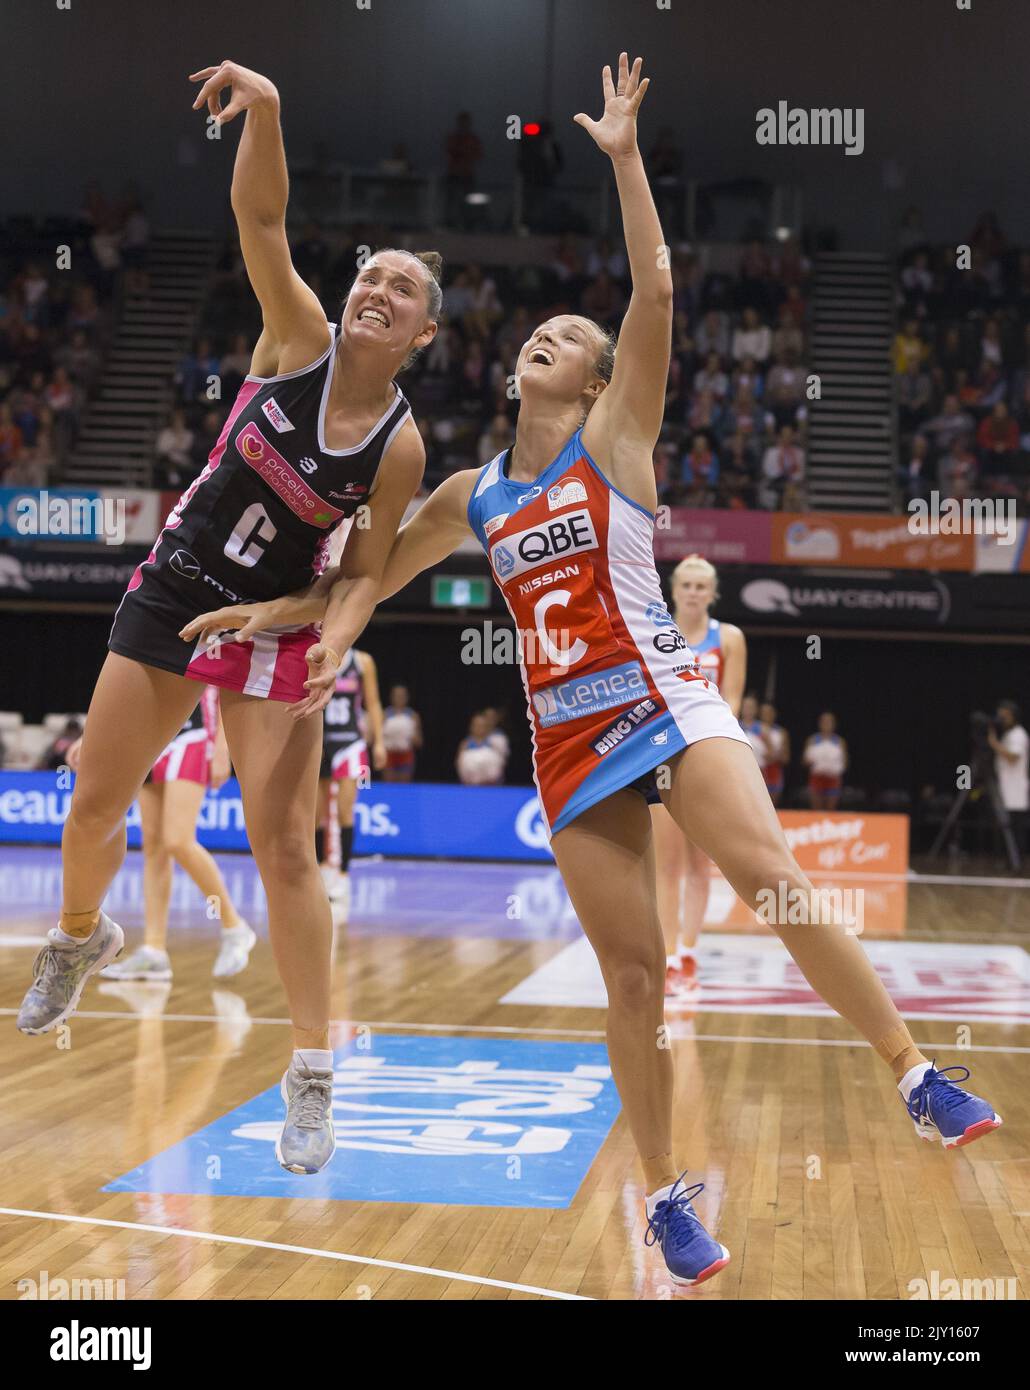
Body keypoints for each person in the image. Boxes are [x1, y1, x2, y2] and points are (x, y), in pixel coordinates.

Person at [180, 54, 1002, 1287]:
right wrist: (274, 608)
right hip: (567, 736)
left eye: (573, 336)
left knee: (771, 876)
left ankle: (913, 1072)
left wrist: (623, 160)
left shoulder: (619, 442)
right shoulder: (472, 494)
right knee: (627, 975)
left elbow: (656, 286)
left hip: (664, 699)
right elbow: (365, 582)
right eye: (542, 333)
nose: (551, 337)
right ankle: (668, 1198)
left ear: (599, 379)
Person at [15, 61, 437, 1184]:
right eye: (373, 274)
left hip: (278, 624)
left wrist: (335, 638)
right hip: (176, 589)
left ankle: (310, 1075)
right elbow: (260, 213)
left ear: (424, 334)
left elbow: (366, 573)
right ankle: (79, 935)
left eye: (402, 289)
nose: (376, 290)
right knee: (97, 796)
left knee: (284, 854)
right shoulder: (296, 337)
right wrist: (273, 110)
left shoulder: (396, 448)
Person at [63, 690, 255, 982]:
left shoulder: (212, 642)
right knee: (154, 847)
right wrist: (91, 732)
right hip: (152, 735)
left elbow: (226, 679)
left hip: (194, 733)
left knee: (178, 840)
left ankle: (234, 926)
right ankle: (155, 951)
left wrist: (222, 747)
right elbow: (125, 684)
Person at [649, 556, 746, 1004]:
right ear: (673, 588)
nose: (692, 592)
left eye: (700, 587)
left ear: (712, 592)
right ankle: (669, 958)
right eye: (685, 585)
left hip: (707, 758)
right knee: (666, 866)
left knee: (699, 865)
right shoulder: (653, 629)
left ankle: (689, 951)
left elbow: (732, 703)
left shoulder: (728, 638)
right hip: (662, 755)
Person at [317, 648, 385, 906]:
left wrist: (379, 742)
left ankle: (343, 874)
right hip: (321, 744)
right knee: (316, 815)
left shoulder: (363, 661)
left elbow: (374, 702)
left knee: (345, 810)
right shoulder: (316, 655)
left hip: (350, 743)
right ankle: (322, 870)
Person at [988, 700, 1029, 861]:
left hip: (1015, 790)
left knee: (1016, 829)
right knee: (1007, 828)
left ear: (1014, 717)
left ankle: (1017, 862)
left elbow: (1014, 757)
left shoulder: (1019, 734)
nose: (1001, 720)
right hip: (1006, 788)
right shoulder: (1008, 734)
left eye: (1004, 717)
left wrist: (993, 744)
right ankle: (1009, 860)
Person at [804, 711, 847, 810]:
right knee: (816, 811)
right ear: (820, 723)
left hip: (833, 779)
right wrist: (811, 760)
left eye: (829, 722)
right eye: (824, 722)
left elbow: (844, 763)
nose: (826, 724)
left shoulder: (839, 741)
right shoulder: (812, 740)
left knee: (830, 811)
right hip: (817, 779)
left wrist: (834, 767)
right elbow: (805, 761)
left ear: (834, 724)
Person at [381, 684, 422, 781]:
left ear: (407, 697)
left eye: (402, 696)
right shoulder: (384, 715)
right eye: (397, 695)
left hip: (405, 756)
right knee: (389, 789)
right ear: (392, 697)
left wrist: (411, 736)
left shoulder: (413, 716)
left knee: (403, 788)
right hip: (389, 756)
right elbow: (377, 739)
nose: (399, 698)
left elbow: (419, 742)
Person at [456, 712, 507, 785]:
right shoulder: (465, 744)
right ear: (471, 727)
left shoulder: (495, 744)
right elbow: (459, 765)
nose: (479, 728)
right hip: (470, 785)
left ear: (487, 727)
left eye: (482, 726)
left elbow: (500, 767)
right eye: (476, 725)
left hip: (491, 786)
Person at [759, 700, 790, 807]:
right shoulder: (754, 729)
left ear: (774, 714)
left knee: (772, 807)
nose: (766, 715)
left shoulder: (781, 733)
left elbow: (786, 758)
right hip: (757, 770)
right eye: (764, 713)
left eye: (769, 712)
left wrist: (774, 756)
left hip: (774, 772)